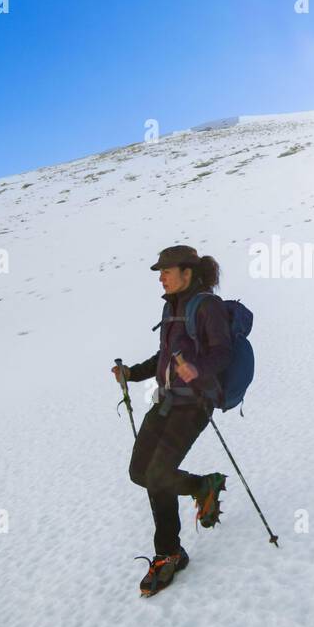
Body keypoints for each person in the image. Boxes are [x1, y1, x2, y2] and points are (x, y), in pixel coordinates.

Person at [112, 245, 230, 596]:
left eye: (166, 271)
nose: (160, 277)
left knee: (159, 475)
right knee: (140, 472)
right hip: (165, 401)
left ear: (187, 273)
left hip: (194, 403)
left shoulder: (208, 306)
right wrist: (133, 373)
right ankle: (201, 487)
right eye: (159, 272)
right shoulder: (171, 306)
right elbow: (165, 356)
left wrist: (198, 369)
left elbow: (223, 353)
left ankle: (169, 554)